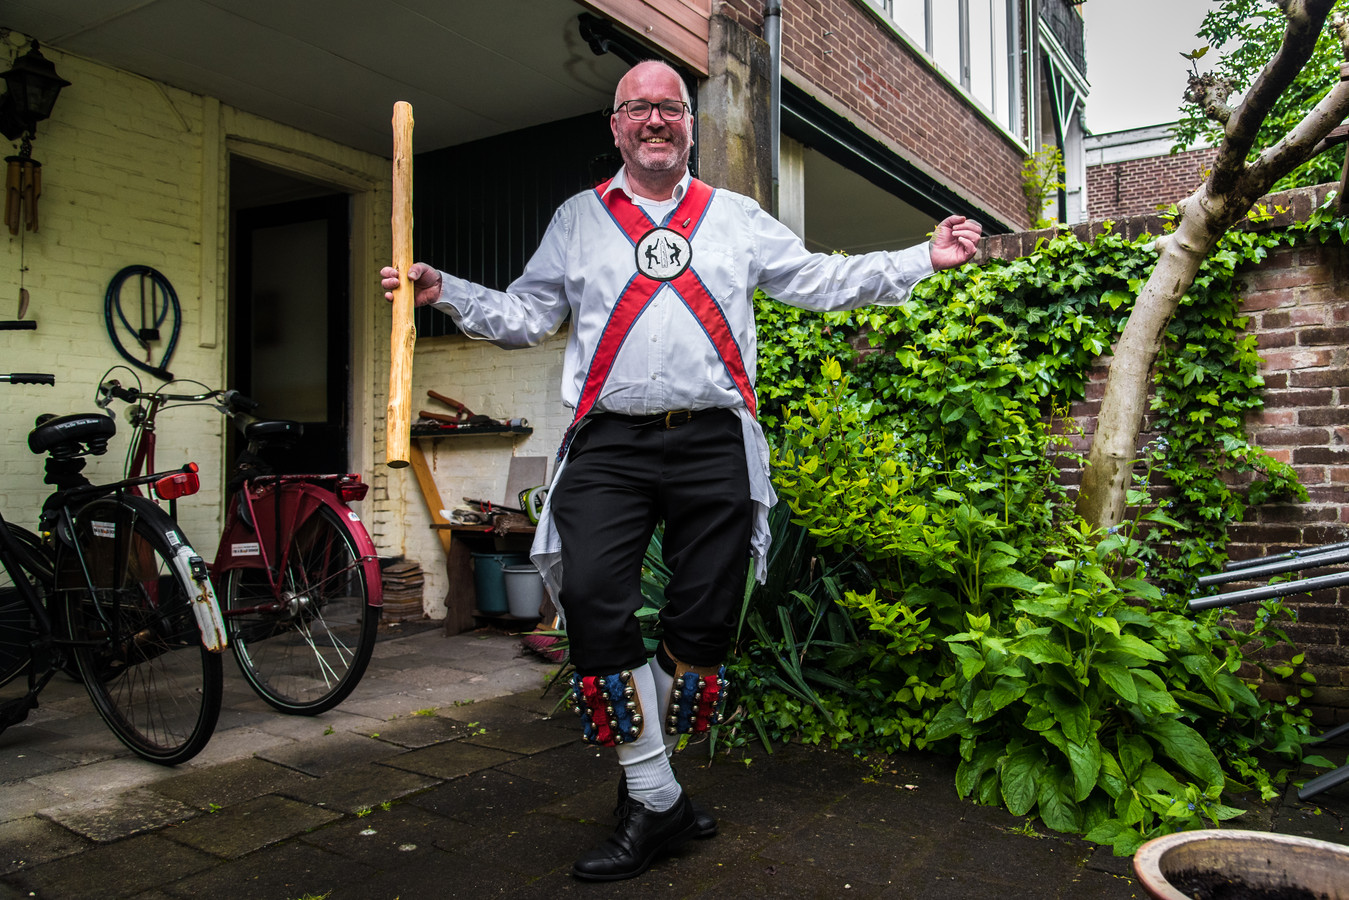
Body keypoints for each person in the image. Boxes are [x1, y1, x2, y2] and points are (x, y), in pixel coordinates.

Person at [382, 59, 981, 882]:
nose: (655, 120)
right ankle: (656, 794)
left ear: (690, 125)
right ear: (616, 125)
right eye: (638, 108)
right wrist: (444, 288)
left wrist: (923, 258)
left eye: (670, 107)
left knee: (701, 628)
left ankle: (652, 804)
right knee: (592, 600)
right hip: (608, 444)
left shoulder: (735, 217)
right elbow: (526, 317)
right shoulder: (577, 220)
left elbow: (823, 281)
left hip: (713, 442)